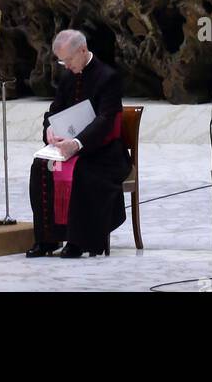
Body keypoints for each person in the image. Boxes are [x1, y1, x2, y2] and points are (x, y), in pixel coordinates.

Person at [27, 29, 130, 259]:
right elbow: (53, 112)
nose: (65, 65)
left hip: (104, 152)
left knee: (84, 171)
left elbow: (105, 120)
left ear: (82, 50)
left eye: (68, 59)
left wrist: (77, 143)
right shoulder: (67, 78)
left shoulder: (108, 77)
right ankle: (46, 239)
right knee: (41, 166)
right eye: (61, 60)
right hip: (69, 148)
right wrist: (50, 130)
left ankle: (79, 241)